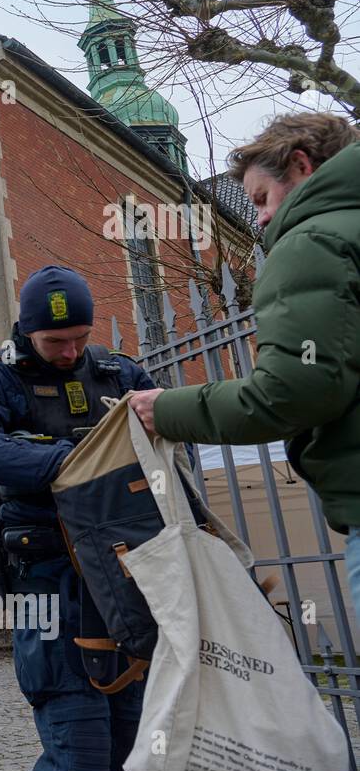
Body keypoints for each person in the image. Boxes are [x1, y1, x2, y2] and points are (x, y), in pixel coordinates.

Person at [128, 113, 360, 617]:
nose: (258, 221)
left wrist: (166, 409)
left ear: (301, 165)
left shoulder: (311, 241)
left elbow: (294, 391)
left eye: (260, 200)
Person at [0, 266, 156, 771]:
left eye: (80, 339)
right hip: (46, 576)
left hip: (126, 573)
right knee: (78, 748)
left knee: (134, 743)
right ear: (26, 330)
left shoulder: (119, 372)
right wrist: (72, 463)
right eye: (54, 341)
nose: (69, 352)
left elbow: (170, 444)